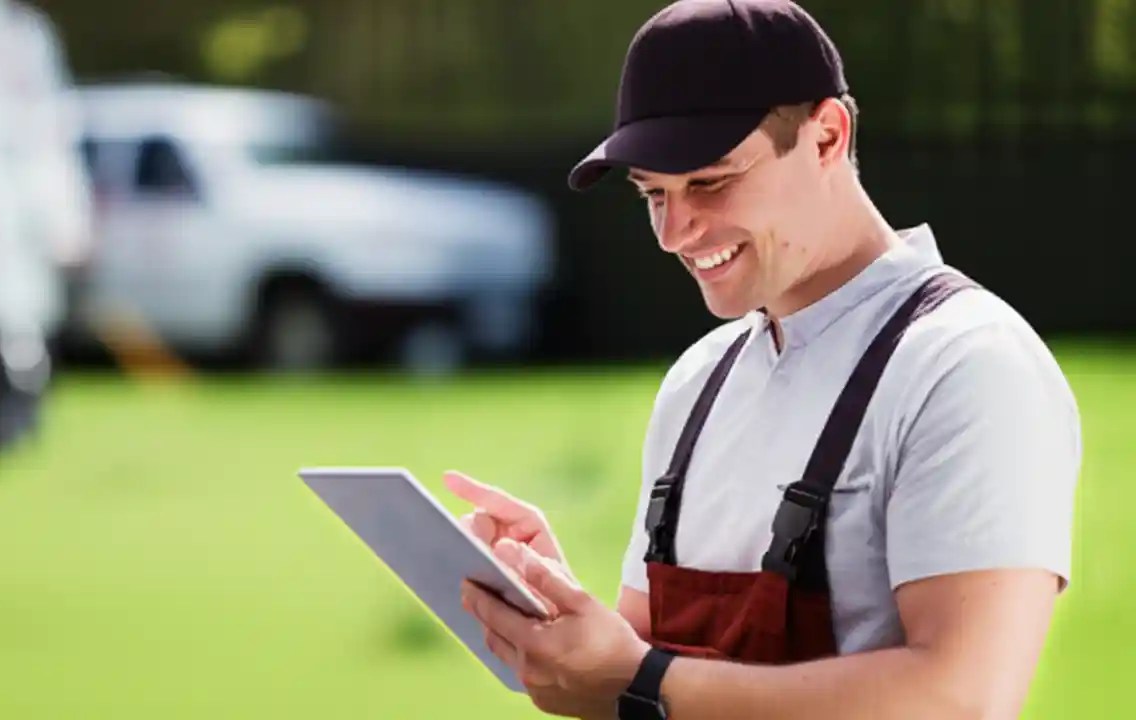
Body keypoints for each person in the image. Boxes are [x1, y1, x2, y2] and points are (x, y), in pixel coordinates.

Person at [449, 1, 1082, 718]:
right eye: (653, 194)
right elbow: (644, 668)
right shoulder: (700, 382)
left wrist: (641, 680)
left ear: (826, 138)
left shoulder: (965, 368)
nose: (673, 232)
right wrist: (564, 622)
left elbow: (958, 700)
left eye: (709, 182)